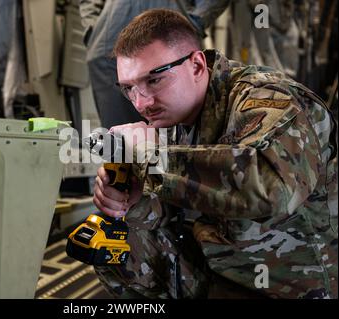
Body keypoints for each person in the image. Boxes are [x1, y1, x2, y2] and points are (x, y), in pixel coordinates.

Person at [92, 8, 338, 299]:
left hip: (290, 284)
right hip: (222, 265)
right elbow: (181, 208)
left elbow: (272, 190)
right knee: (109, 244)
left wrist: (151, 155)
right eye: (129, 89)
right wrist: (136, 203)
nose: (142, 102)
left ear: (196, 66)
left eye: (154, 80)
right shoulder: (174, 116)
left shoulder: (268, 98)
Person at [79, 0, 230, 128]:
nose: (139, 104)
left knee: (182, 140)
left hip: (169, 40)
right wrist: (93, 32)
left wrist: (195, 21)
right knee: (121, 150)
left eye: (154, 80)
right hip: (108, 45)